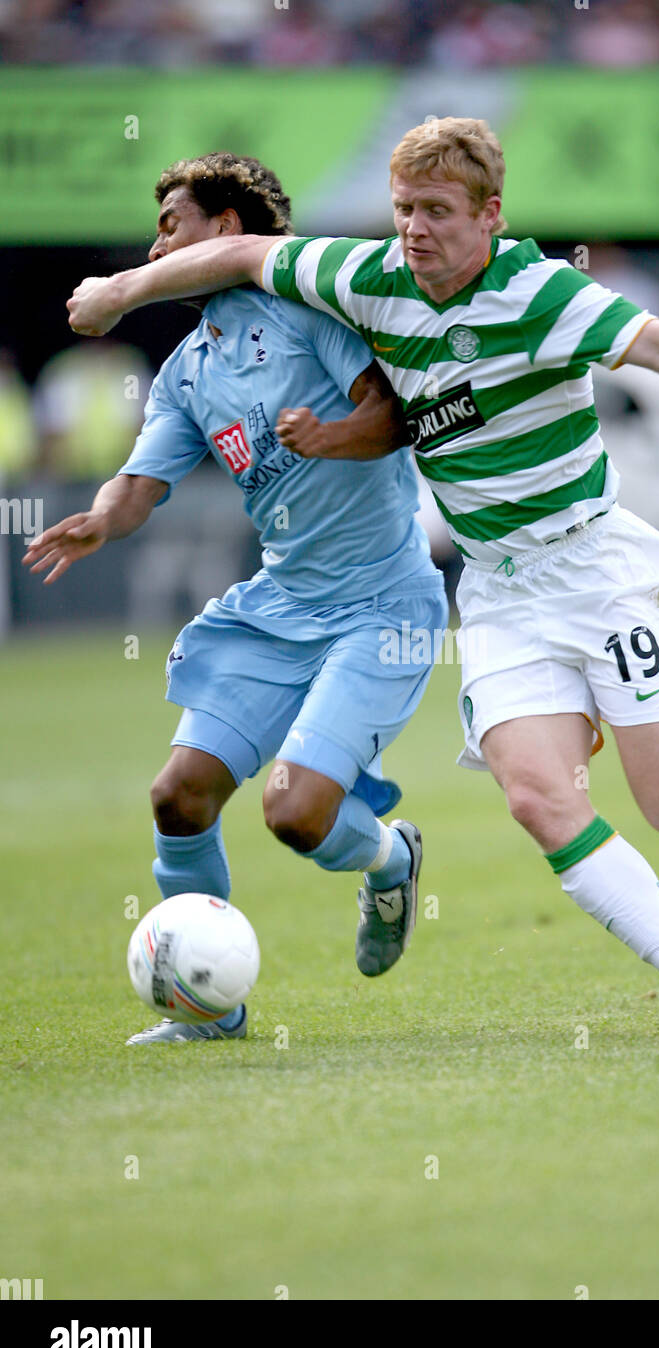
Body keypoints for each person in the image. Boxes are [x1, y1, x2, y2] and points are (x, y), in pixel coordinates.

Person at [64, 120, 659, 1043]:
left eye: (436, 212)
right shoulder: (369, 279)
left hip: (599, 569)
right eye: (402, 211)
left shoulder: (539, 292)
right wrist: (119, 291)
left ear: (490, 214)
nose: (415, 231)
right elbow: (241, 250)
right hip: (500, 592)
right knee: (536, 797)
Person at [27, 152, 447, 1044]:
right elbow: (140, 484)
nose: (155, 245)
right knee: (179, 797)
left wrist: (330, 436)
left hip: (381, 604)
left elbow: (393, 416)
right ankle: (209, 1012)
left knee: (295, 813)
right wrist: (100, 520)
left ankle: (390, 857)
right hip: (282, 605)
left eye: (170, 225)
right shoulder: (186, 369)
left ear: (226, 230)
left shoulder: (306, 309)